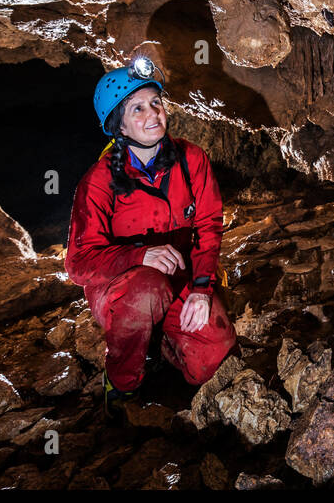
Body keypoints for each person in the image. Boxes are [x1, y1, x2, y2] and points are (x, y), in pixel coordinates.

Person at [65, 57, 237, 417]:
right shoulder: (98, 181)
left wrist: (202, 290)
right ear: (120, 125)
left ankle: (160, 343)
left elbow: (208, 225)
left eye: (156, 102)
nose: (153, 114)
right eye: (138, 109)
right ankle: (122, 383)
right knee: (146, 289)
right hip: (121, 287)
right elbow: (78, 266)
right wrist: (138, 256)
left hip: (178, 275)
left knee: (214, 358)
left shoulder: (191, 159)